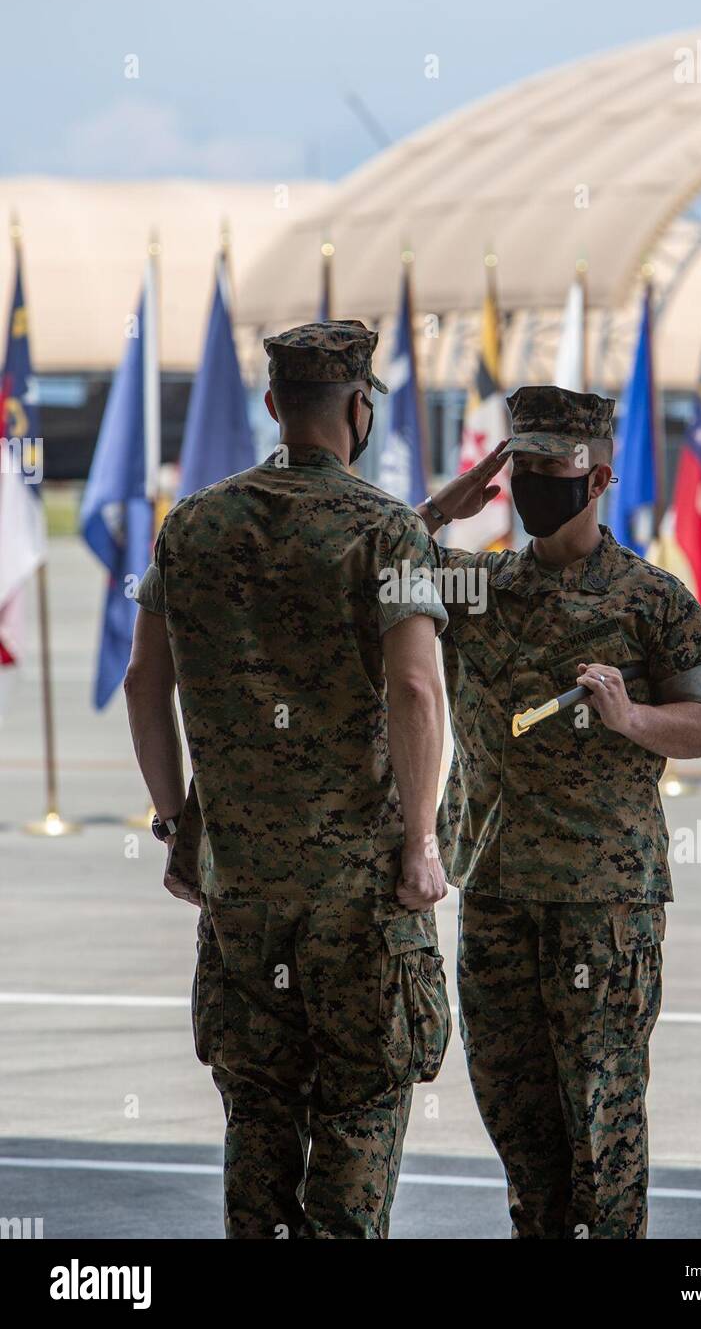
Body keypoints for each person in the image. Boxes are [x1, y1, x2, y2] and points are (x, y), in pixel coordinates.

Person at [124, 320, 451, 1239]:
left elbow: (144, 682)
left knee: (259, 1105)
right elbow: (417, 687)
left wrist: (174, 820)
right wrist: (422, 845)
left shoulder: (193, 524)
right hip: (360, 891)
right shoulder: (384, 530)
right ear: (360, 408)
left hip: (242, 890)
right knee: (363, 1096)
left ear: (273, 406)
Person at [417, 385, 701, 1239]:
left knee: (605, 1122)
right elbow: (378, 564)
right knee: (517, 1119)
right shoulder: (474, 587)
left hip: (605, 901)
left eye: (555, 471)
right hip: (497, 892)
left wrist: (633, 720)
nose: (533, 488)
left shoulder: (653, 599)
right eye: (523, 469)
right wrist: (453, 499)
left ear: (598, 484)